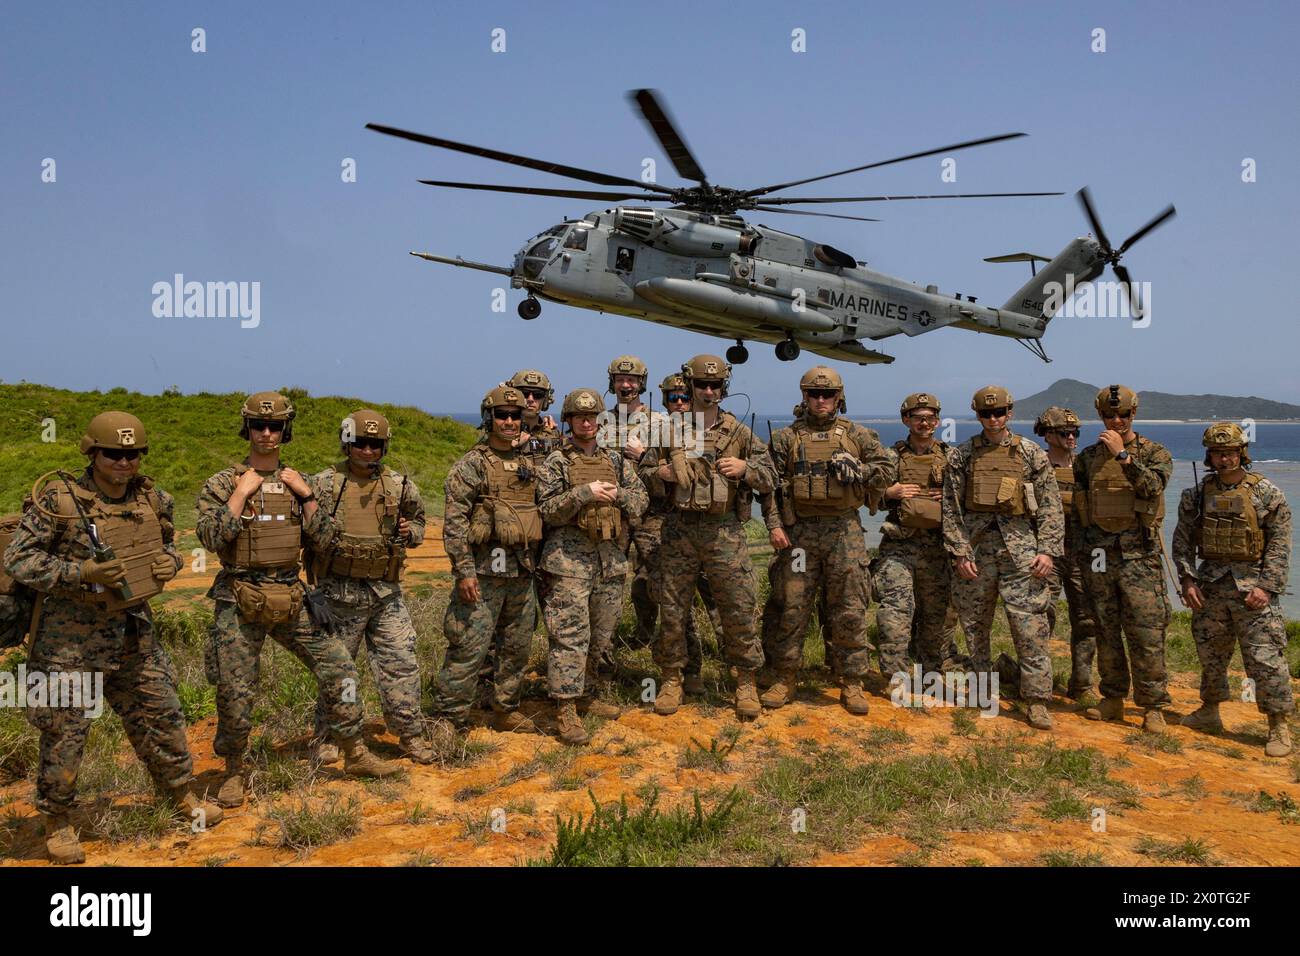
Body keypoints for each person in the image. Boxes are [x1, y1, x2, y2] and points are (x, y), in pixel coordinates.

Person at [5, 412, 224, 864]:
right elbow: (19, 561)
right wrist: (79, 572)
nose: (125, 462)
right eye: (114, 454)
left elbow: (165, 545)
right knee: (65, 733)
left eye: (133, 454)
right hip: (68, 643)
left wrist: (172, 564)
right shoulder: (59, 500)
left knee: (160, 714)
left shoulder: (151, 496)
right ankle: (58, 820)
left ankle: (179, 795)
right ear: (92, 452)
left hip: (133, 634)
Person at [197, 392, 398, 810]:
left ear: (285, 430)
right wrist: (241, 494)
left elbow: (326, 541)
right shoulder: (223, 482)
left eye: (274, 427)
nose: (266, 434)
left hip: (291, 595)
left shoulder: (297, 482)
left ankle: (355, 752)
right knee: (236, 689)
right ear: (247, 429)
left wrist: (306, 497)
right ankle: (234, 770)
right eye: (258, 426)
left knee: (339, 667)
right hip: (240, 595)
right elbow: (211, 537)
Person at [639, 354, 776, 719]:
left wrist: (746, 469)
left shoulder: (738, 431)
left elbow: (771, 476)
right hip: (679, 530)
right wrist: (663, 473)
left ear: (723, 388)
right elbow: (643, 475)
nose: (709, 391)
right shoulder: (669, 429)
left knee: (737, 605)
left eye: (716, 386)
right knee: (672, 607)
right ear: (691, 386)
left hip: (724, 530)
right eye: (702, 385)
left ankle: (745, 681)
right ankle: (672, 679)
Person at [306, 409, 433, 764]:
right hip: (338, 594)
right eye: (360, 443)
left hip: (385, 594)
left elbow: (420, 523)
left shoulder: (399, 485)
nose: (368, 451)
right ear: (347, 443)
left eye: (375, 445)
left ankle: (410, 734)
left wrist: (412, 533)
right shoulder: (324, 484)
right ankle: (329, 736)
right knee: (337, 670)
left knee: (401, 662)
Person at [760, 367, 890, 714]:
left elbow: (889, 470)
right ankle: (784, 677)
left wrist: (859, 469)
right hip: (800, 534)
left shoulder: (857, 435)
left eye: (827, 394)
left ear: (839, 397)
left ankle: (851, 681)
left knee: (849, 608)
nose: (820, 400)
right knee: (792, 605)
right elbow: (769, 486)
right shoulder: (787, 438)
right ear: (804, 396)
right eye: (814, 394)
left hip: (843, 533)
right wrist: (774, 525)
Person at [942, 386, 1063, 730]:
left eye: (999, 413)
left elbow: (1051, 506)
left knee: (1030, 629)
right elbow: (950, 509)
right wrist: (960, 551)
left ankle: (1037, 700)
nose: (993, 419)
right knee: (975, 627)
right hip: (977, 554)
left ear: (1009, 414)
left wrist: (1048, 550)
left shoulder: (1030, 454)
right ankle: (982, 690)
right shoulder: (962, 455)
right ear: (977, 415)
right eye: (985, 414)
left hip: (1021, 555)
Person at [1174, 422, 1294, 757]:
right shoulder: (1196, 495)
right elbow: (1181, 543)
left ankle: (1278, 725)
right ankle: (1210, 711)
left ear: (1241, 453)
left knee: (1265, 658)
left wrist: (1267, 587)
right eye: (1216, 453)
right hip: (1211, 587)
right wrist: (1187, 580)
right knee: (1211, 655)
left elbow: (1280, 546)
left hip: (1252, 590)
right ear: (1208, 455)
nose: (1223, 459)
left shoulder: (1266, 493)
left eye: (1229, 453)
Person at [430, 385, 543, 733]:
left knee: (516, 647)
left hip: (521, 572)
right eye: (502, 415)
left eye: (515, 416)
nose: (509, 421)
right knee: (468, 647)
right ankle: (448, 716)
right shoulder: (471, 465)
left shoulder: (529, 462)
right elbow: (454, 523)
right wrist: (463, 572)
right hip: (482, 573)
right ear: (488, 418)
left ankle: (505, 707)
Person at [538, 388, 648, 744]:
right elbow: (547, 510)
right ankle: (566, 708)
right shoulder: (555, 461)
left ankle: (587, 692)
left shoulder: (616, 461)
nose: (587, 422)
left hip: (610, 561)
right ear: (568, 421)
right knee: (570, 636)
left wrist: (618, 495)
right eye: (579, 417)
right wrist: (584, 493)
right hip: (568, 561)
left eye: (593, 417)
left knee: (601, 634)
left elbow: (641, 500)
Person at [1074, 385, 1174, 731]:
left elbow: (1153, 488)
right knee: (1105, 628)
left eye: (1124, 415)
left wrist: (1123, 457)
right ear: (1100, 415)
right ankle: (1113, 698)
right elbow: (1080, 507)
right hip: (1099, 555)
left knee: (1146, 632)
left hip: (1139, 557)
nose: (1116, 421)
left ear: (1134, 414)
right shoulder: (1087, 458)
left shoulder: (1153, 452)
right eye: (1109, 415)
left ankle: (1153, 706)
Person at [629, 372, 717, 694]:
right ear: (664, 401)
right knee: (670, 599)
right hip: (661, 525)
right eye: (672, 398)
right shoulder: (658, 432)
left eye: (684, 397)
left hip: (704, 527)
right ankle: (682, 671)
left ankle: (732, 666)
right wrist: (659, 473)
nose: (679, 403)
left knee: (716, 596)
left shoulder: (710, 430)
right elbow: (641, 476)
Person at [874, 393, 954, 694]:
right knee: (896, 610)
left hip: (936, 548)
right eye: (918, 417)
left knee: (934, 615)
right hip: (899, 546)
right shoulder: (890, 457)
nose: (924, 423)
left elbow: (967, 503)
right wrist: (888, 494)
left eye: (930, 417)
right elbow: (867, 498)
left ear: (937, 421)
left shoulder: (951, 458)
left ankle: (930, 675)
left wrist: (946, 497)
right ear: (906, 419)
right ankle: (895, 676)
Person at [1033, 406, 1099, 699]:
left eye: (1075, 432)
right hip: (1047, 552)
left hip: (1082, 552)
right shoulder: (1036, 465)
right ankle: (1038, 682)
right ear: (1049, 435)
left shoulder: (1086, 466)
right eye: (1065, 433)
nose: (1072, 437)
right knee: (1041, 617)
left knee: (1087, 619)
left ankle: (1082, 684)